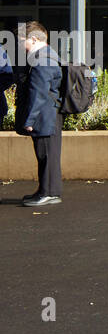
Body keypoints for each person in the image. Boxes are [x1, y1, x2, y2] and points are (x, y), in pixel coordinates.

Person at [14, 20, 64, 207]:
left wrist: (30, 119)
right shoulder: (45, 56)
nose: (19, 45)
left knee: (47, 155)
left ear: (33, 39)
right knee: (46, 154)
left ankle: (49, 193)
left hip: (44, 116)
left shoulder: (42, 60)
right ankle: (46, 191)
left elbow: (39, 93)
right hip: (48, 114)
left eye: (21, 41)